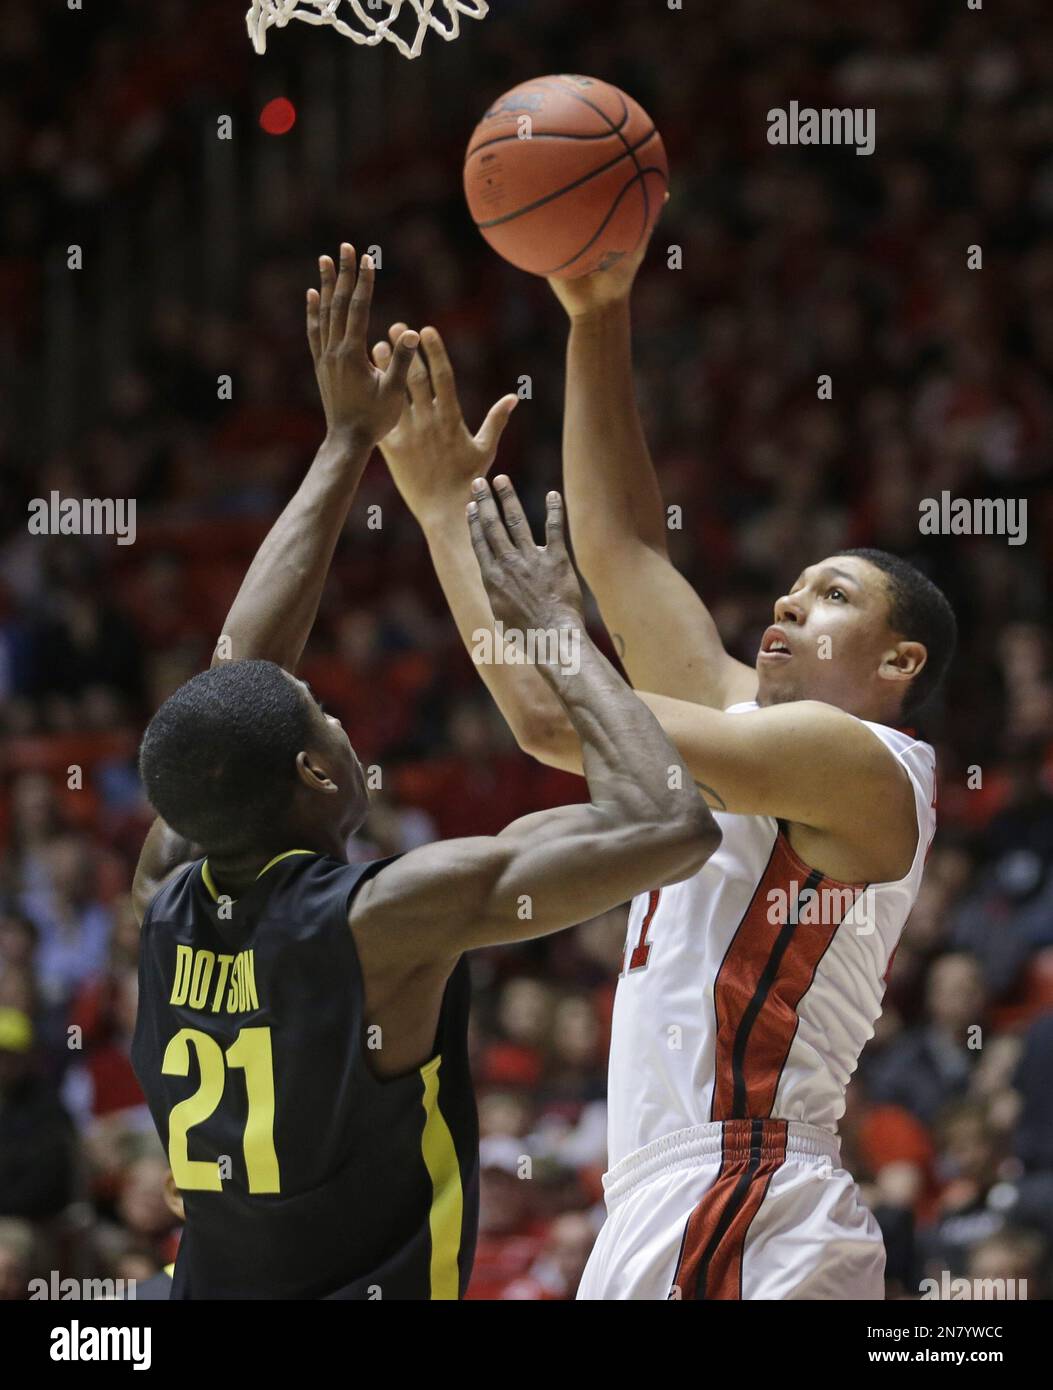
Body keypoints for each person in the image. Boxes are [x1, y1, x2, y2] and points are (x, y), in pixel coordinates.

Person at [129, 245, 720, 1300]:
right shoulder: (385, 915)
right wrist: (557, 632)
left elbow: (239, 676)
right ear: (314, 773)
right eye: (327, 719)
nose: (345, 715)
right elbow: (674, 826)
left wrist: (346, 441)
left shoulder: (163, 897)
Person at [372, 237, 957, 1299]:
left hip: (746, 1193)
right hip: (666, 1199)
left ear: (899, 660)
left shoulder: (867, 760)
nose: (786, 603)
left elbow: (558, 722)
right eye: (790, 587)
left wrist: (477, 555)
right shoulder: (744, 731)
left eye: (830, 596)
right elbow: (625, 551)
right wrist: (595, 312)